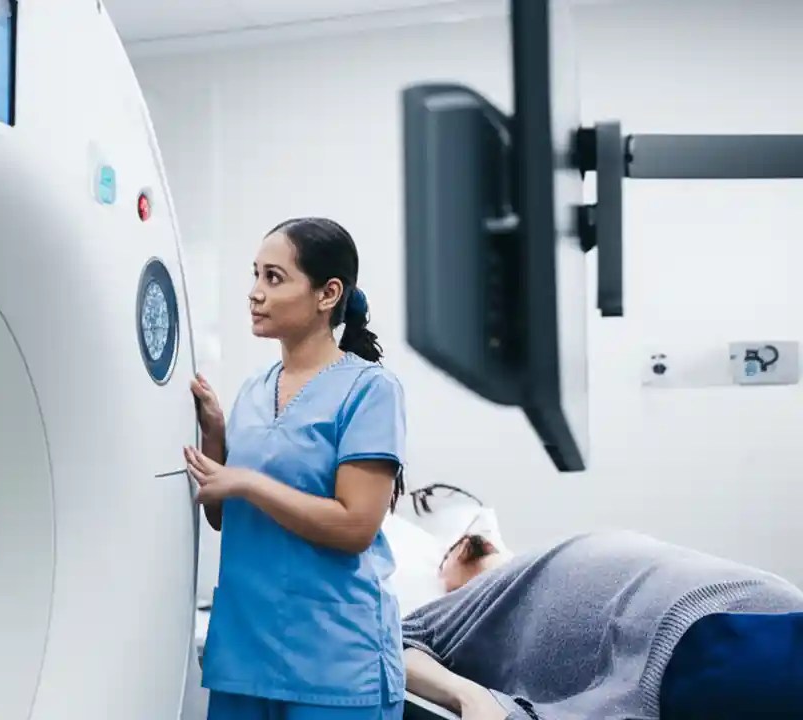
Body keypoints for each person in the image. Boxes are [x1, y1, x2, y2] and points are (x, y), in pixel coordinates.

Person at [184, 217, 408, 720]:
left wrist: (247, 480)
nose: (255, 293)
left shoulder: (370, 390)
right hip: (245, 655)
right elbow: (225, 517)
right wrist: (217, 438)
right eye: (255, 275)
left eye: (274, 278)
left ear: (328, 294)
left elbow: (355, 526)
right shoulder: (252, 391)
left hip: (334, 663)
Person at [401, 528, 803, 720]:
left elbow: (391, 643)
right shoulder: (482, 598)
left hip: (716, 639)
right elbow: (393, 646)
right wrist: (470, 697)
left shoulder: (498, 582)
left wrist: (470, 698)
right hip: (756, 626)